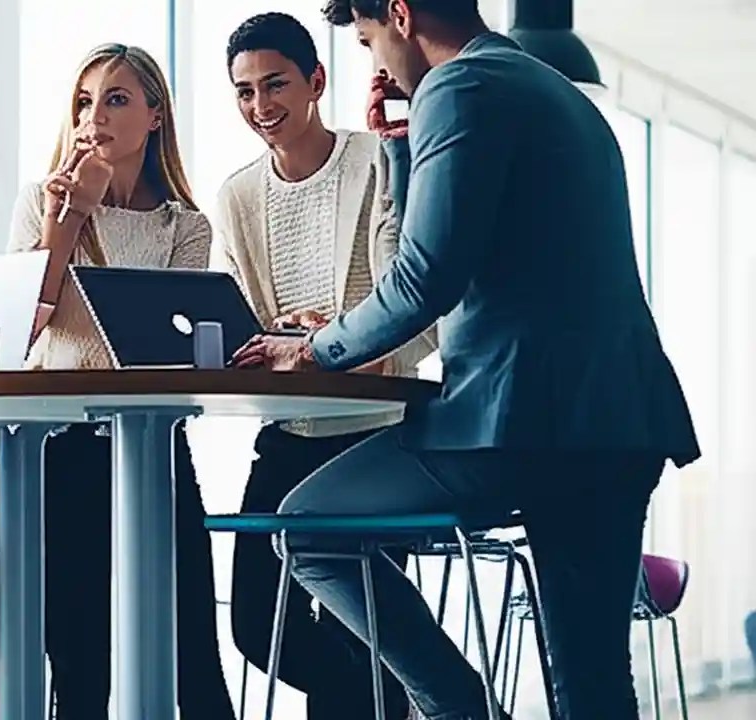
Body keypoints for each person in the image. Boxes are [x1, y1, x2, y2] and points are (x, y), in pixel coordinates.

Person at [232, 1, 699, 718]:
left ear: (400, 13)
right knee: (593, 680)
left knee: (308, 527)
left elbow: (425, 277)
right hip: (618, 416)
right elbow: (457, 243)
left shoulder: (461, 87)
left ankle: (458, 707)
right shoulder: (545, 89)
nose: (378, 65)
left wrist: (315, 351)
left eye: (369, 42)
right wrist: (399, 147)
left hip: (520, 421)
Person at [6, 43, 235, 719]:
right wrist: (70, 217)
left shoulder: (184, 226)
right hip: (64, 450)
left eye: (115, 98)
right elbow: (22, 327)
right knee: (78, 657)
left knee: (188, 644)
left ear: (154, 115)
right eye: (83, 100)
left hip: (154, 451)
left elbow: (178, 346)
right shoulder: (41, 203)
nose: (94, 116)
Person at [215, 12, 433, 720]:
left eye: (275, 84)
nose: (261, 106)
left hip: (372, 433)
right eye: (244, 91)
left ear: (316, 81)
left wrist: (332, 337)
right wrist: (271, 341)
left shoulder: (377, 158)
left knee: (365, 626)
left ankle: (403, 695)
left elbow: (410, 290)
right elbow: (241, 311)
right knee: (256, 626)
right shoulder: (239, 194)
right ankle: (403, 695)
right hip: (288, 430)